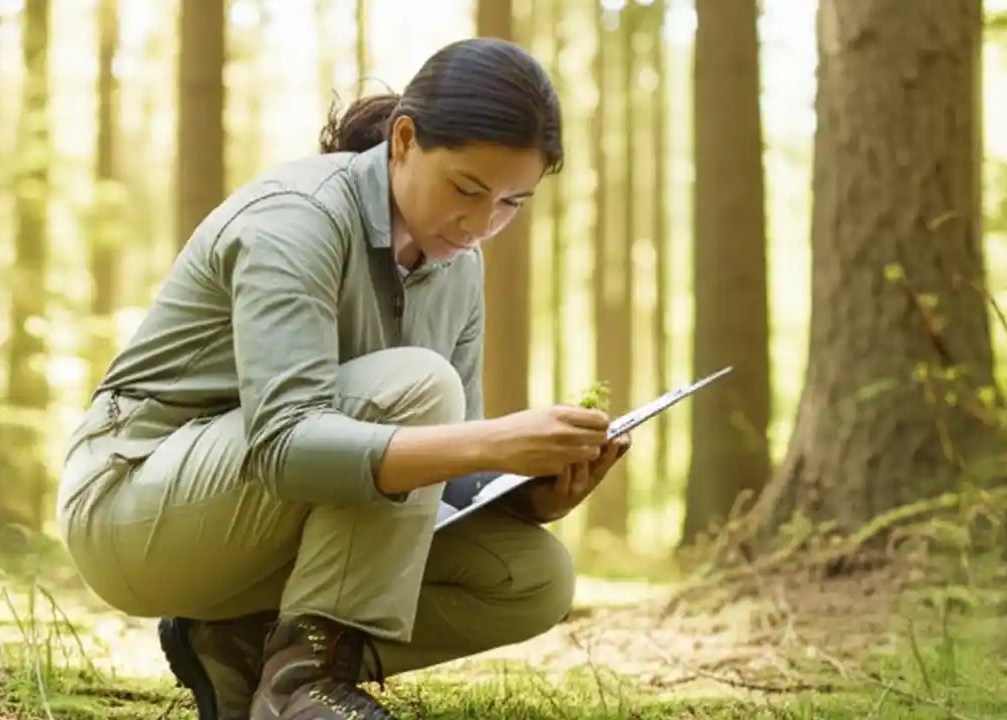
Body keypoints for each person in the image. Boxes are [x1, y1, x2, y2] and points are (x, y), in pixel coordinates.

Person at [55, 37, 631, 720]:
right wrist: (491, 440)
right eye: (467, 189)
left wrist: (535, 493)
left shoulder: (459, 268)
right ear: (405, 140)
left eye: (512, 203)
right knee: (422, 384)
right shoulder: (297, 218)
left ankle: (244, 645)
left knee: (533, 576)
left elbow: (437, 485)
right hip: (133, 503)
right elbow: (286, 448)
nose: (480, 225)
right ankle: (303, 688)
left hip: (254, 531)